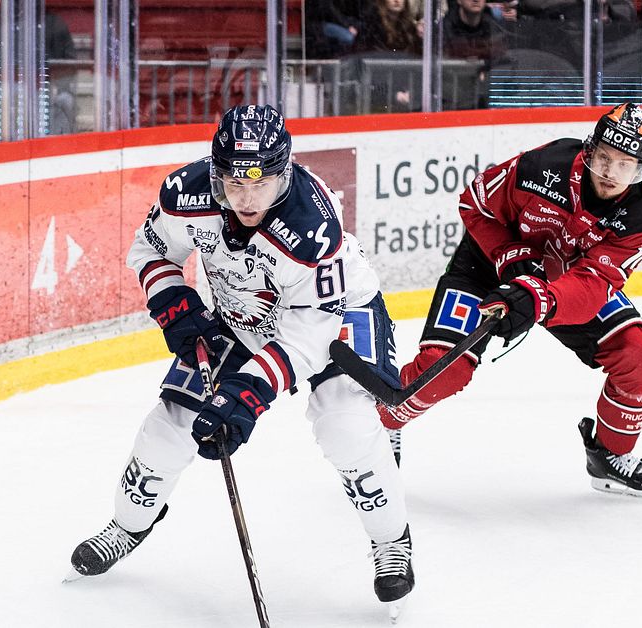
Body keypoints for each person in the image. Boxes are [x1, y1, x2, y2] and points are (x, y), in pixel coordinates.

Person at [67, 105, 415, 609]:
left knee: (345, 426)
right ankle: (128, 524)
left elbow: (309, 332)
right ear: (216, 172)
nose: (247, 198)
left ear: (286, 172)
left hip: (334, 316)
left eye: (261, 185)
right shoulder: (188, 195)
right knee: (169, 424)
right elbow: (150, 249)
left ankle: (391, 542)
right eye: (234, 183)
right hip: (238, 313)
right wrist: (174, 304)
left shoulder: (311, 225)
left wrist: (248, 393)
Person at [379, 102, 642, 499]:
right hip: (484, 267)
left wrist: (540, 296)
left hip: (563, 286)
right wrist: (509, 256)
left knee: (638, 357)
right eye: (603, 158)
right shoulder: (541, 167)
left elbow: (592, 284)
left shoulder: (640, 223)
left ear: (641, 169)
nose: (609, 173)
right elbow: (475, 203)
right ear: (590, 149)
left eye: (625, 165)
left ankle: (609, 456)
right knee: (444, 369)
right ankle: (379, 425)